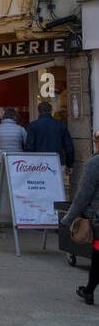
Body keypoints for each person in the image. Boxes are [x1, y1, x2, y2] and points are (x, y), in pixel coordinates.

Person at [60, 130, 99, 306]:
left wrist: (68, 219)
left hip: (97, 219)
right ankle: (89, 290)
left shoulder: (94, 164)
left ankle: (89, 290)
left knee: (98, 254)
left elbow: (83, 196)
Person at [25, 101, 74, 174]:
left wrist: (28, 164)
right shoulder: (61, 125)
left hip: (38, 164)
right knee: (57, 185)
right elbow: (69, 147)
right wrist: (69, 164)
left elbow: (29, 147)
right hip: (58, 162)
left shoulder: (33, 125)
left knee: (40, 184)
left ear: (38, 112)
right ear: (51, 111)